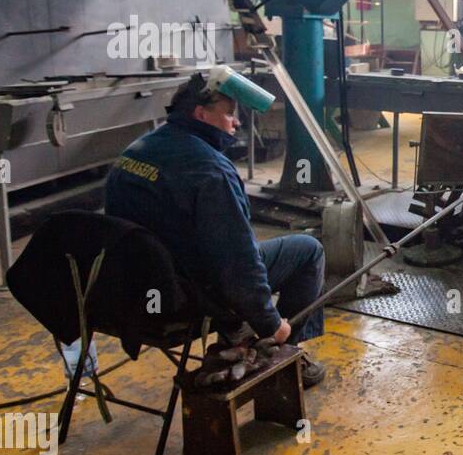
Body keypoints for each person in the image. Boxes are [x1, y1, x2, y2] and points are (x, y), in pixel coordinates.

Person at [104, 69, 328, 388]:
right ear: (201, 114)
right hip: (184, 297)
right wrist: (271, 323)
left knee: (205, 255)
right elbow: (238, 264)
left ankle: (236, 338)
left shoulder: (137, 150)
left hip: (127, 292)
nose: (235, 123)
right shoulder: (210, 171)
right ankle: (281, 351)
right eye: (229, 114)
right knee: (309, 251)